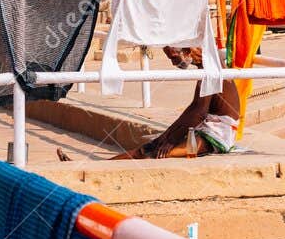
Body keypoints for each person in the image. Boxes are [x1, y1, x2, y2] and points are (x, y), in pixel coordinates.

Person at [62, 46, 241, 160]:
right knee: (149, 147)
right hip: (205, 126)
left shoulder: (211, 67)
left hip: (218, 135)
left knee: (156, 154)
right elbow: (194, 110)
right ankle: (94, 167)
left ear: (187, 51)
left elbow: (198, 112)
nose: (174, 63)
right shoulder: (207, 65)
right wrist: (167, 135)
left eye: (174, 57)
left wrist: (171, 139)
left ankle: (95, 169)